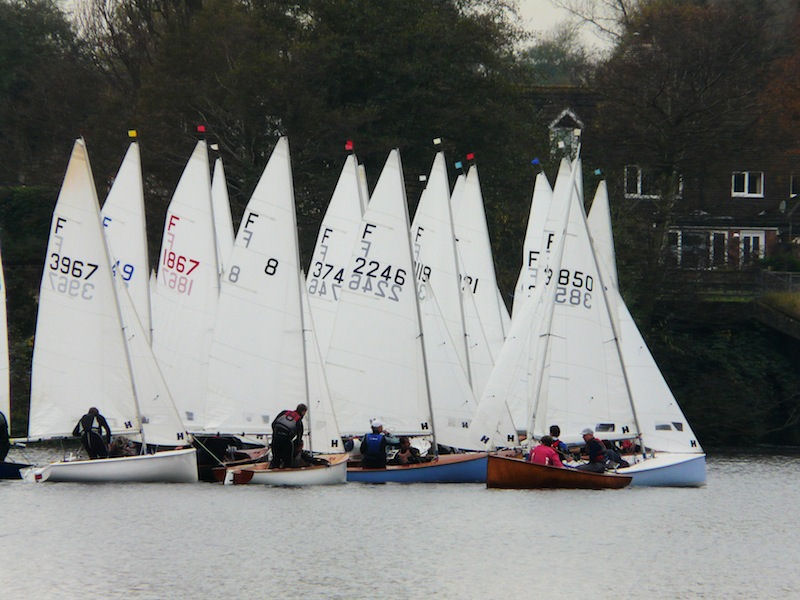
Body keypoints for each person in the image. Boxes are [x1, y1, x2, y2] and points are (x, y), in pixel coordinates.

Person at [270, 403, 307, 468]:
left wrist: (276, 435)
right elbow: (299, 439)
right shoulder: (299, 421)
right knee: (287, 462)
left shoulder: (284, 412)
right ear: (303, 412)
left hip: (275, 439)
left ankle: (272, 471)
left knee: (275, 460)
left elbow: (273, 424)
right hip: (286, 442)